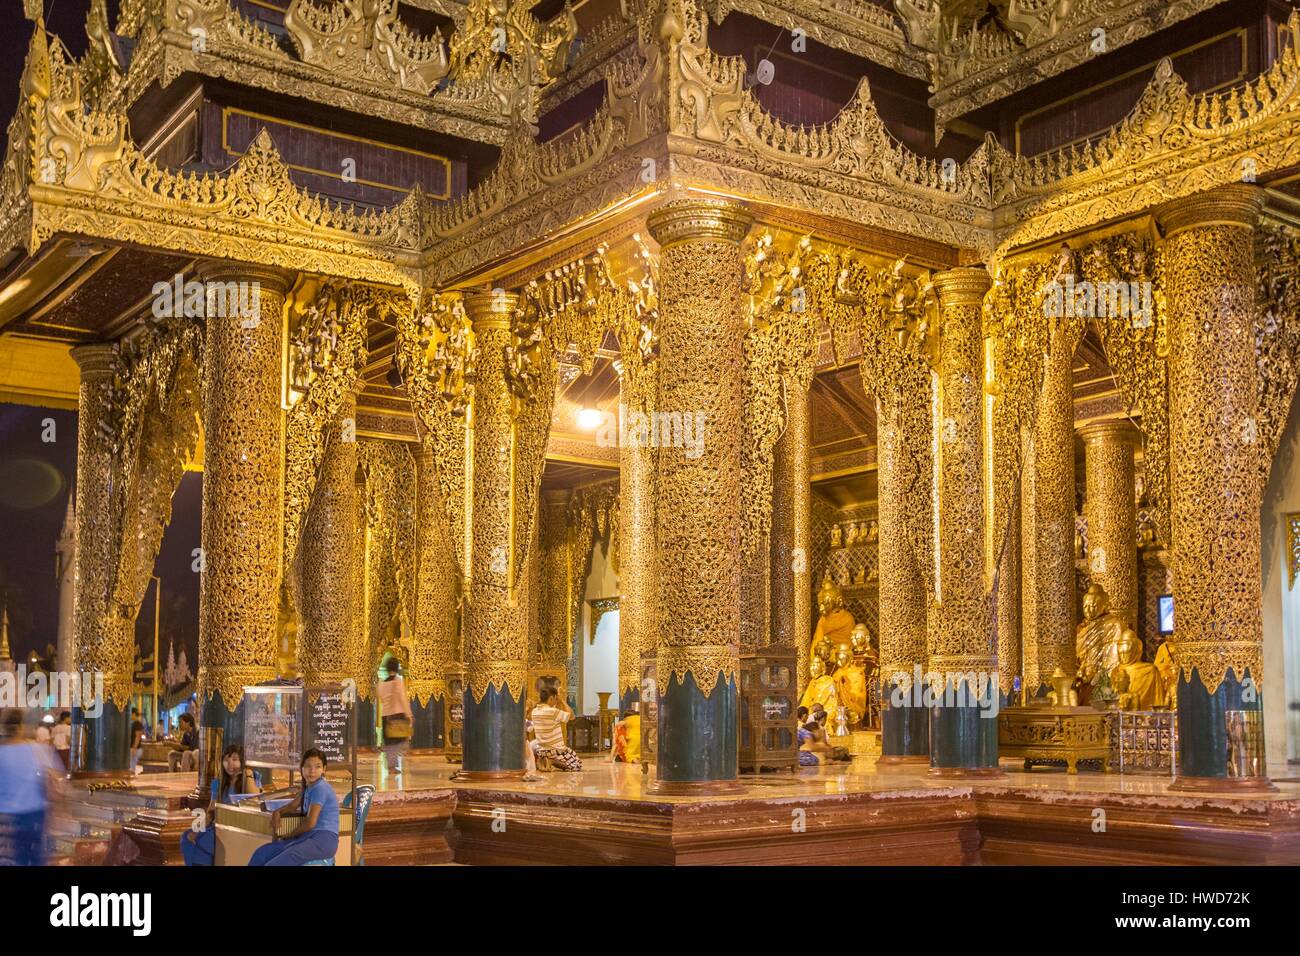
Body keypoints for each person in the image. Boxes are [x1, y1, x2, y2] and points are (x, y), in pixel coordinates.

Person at [248, 749, 339, 866]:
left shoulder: (320, 788)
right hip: (308, 838)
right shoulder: (307, 787)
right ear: (301, 768)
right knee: (261, 854)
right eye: (308, 766)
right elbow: (292, 806)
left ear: (324, 769)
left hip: (322, 840)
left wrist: (290, 835)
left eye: (317, 767)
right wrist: (278, 812)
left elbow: (310, 823)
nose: (312, 771)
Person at [0, 709, 64, 865]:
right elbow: (55, 782)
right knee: (31, 859)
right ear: (22, 726)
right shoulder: (39, 750)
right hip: (34, 815)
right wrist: (59, 811)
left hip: (6, 819)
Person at [181, 744, 260, 866]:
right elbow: (211, 809)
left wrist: (247, 773)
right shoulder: (218, 782)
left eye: (234, 760)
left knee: (202, 841)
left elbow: (255, 798)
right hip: (218, 823)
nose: (230, 764)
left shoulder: (251, 777)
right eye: (226, 760)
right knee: (186, 837)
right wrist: (199, 827)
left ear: (242, 761)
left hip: (239, 825)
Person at [375, 657, 412, 777]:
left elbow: (380, 697)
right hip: (398, 714)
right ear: (397, 668)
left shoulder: (381, 684)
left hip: (386, 716)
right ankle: (393, 764)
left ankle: (391, 766)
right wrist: (409, 714)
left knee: (389, 742)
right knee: (400, 741)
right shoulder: (398, 682)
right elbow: (403, 699)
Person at [530, 688, 581, 771]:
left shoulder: (534, 711)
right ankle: (552, 761)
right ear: (551, 698)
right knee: (576, 764)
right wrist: (562, 701)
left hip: (541, 750)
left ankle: (545, 761)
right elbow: (572, 716)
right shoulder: (552, 712)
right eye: (555, 698)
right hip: (555, 750)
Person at [128, 708, 145, 774]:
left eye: (130, 714)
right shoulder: (134, 723)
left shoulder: (137, 724)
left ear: (134, 714)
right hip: (134, 748)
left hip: (136, 748)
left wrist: (134, 748)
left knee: (131, 767)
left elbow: (138, 737)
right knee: (131, 766)